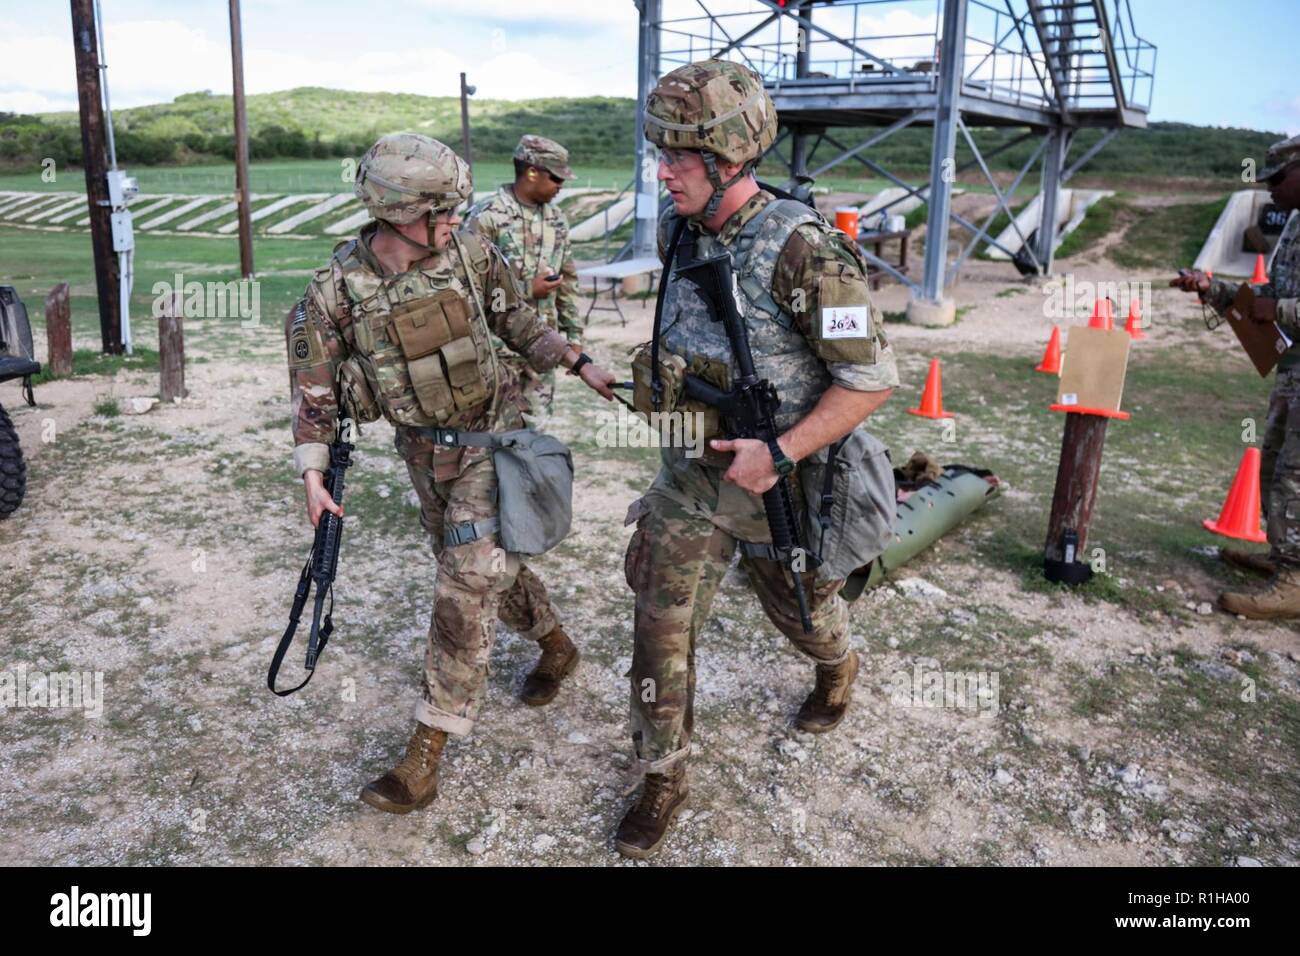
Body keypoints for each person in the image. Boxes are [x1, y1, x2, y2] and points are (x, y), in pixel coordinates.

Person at [615, 59, 900, 859]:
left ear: (728, 159)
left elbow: (871, 378)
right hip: (695, 475)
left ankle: (836, 666)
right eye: (660, 152)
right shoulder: (681, 231)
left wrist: (778, 450)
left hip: (786, 477)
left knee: (801, 613)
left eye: (677, 156)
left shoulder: (806, 249)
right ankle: (662, 771)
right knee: (659, 625)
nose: (662, 171)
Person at [285, 133, 615, 814]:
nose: (452, 224)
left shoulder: (468, 252)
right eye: (439, 212)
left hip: (494, 440)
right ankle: (557, 645)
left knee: (464, 584)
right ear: (396, 212)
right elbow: (314, 387)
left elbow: (519, 320)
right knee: (489, 567)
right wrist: (313, 471)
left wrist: (579, 361)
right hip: (423, 450)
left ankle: (424, 754)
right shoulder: (336, 290)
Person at [1172, 134, 1300, 619]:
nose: (1270, 191)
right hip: (1292, 371)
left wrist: (1281, 308)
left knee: (1295, 475)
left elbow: (1278, 303)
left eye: (1279, 179)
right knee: (1273, 467)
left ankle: (1295, 581)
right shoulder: (1293, 225)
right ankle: (1284, 557)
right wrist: (1213, 289)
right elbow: (1269, 293)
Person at [465, 135, 582, 427]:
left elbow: (567, 280)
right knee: (492, 440)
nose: (560, 186)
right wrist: (528, 289)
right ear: (532, 172)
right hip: (495, 354)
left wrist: (574, 337)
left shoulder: (557, 220)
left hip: (542, 350)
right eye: (556, 178)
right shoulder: (487, 217)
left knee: (536, 439)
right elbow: (466, 288)